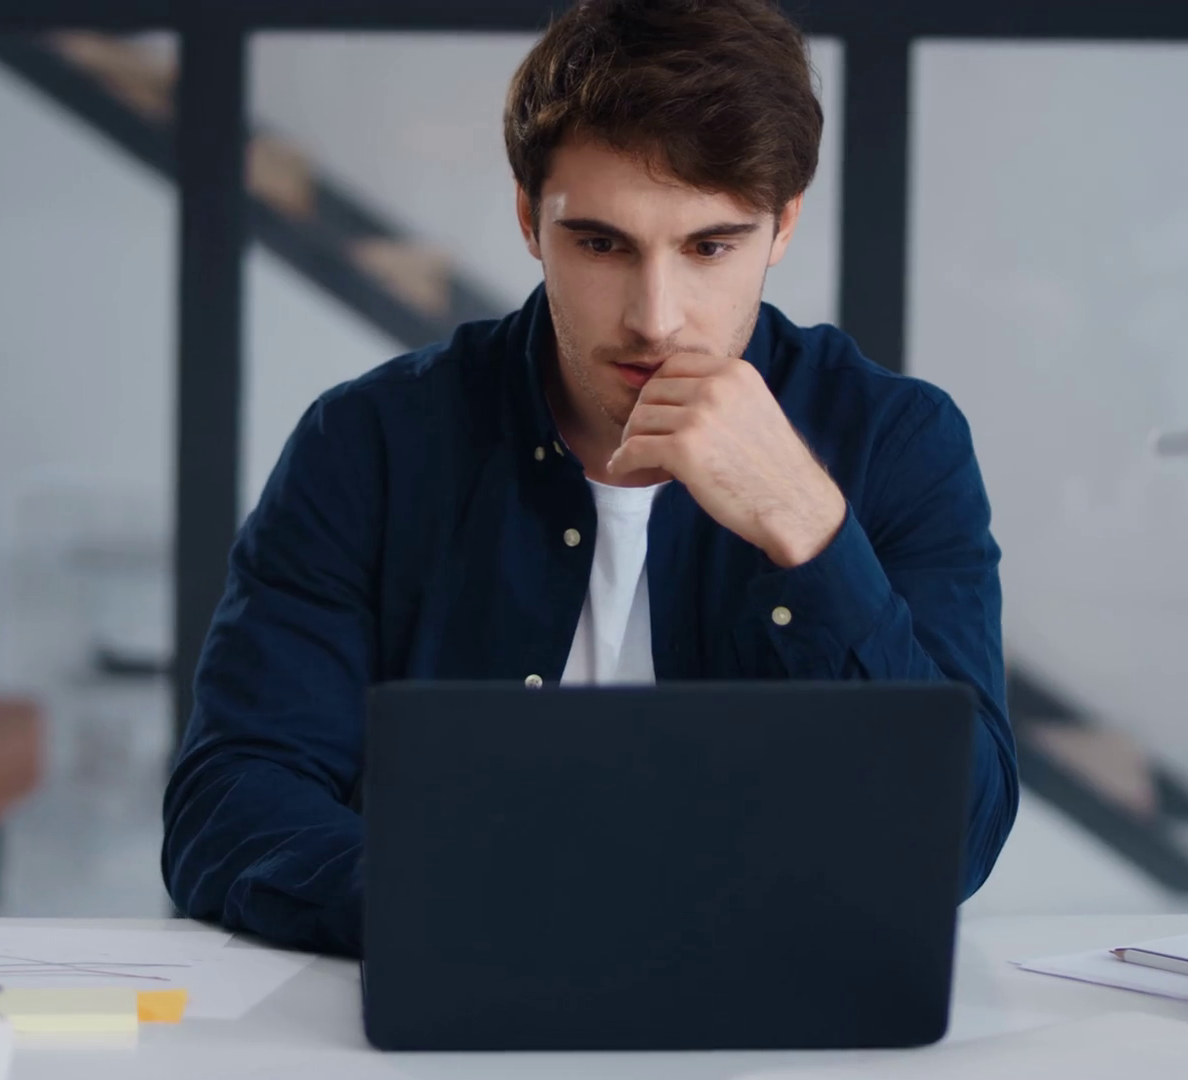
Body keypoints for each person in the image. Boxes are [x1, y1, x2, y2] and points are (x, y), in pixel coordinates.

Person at [163, 0, 1018, 957]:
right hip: (452, 993)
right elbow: (232, 799)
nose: (655, 319)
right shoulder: (369, 443)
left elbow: (957, 843)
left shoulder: (899, 442)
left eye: (711, 246)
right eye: (603, 244)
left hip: (779, 1024)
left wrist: (808, 530)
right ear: (531, 220)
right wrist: (474, 907)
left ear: (782, 229)